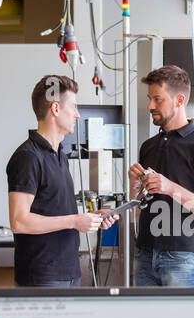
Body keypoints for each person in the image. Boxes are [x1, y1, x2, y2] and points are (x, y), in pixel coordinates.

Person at [6, 74, 115, 287]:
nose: (77, 114)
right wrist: (75, 221)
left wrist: (91, 218)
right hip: (43, 276)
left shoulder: (59, 155)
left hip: (68, 271)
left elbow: (55, 211)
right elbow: (19, 221)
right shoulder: (28, 157)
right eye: (73, 107)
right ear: (56, 109)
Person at [129, 65, 194, 287]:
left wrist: (170, 188)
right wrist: (134, 186)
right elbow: (138, 207)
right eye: (149, 98)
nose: (150, 106)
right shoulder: (148, 146)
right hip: (144, 254)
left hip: (182, 259)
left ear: (179, 100)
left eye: (157, 99)